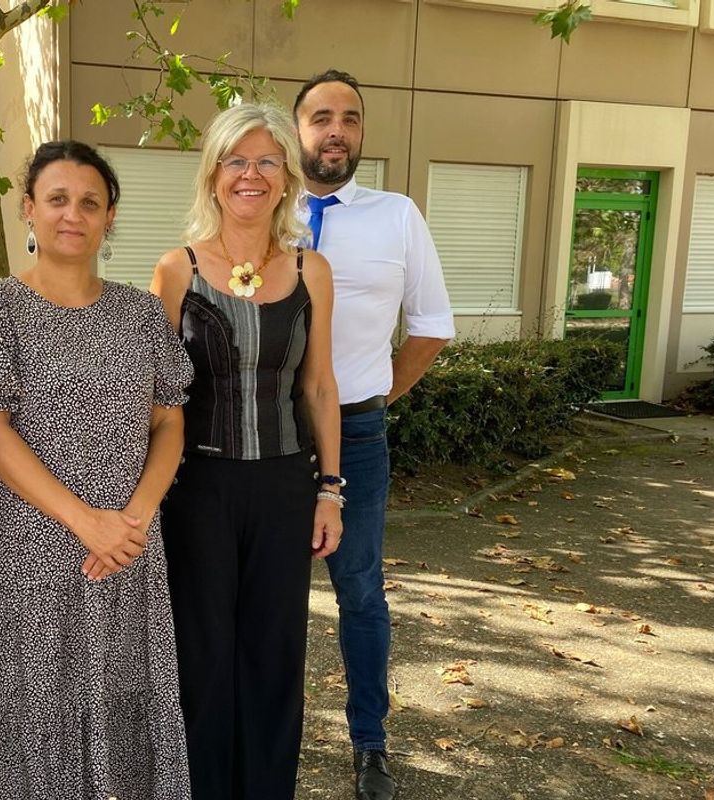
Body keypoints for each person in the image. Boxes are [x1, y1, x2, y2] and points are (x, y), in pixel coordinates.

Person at [0, 140, 194, 799]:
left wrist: (133, 519)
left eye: (89, 202)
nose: (72, 214)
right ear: (28, 209)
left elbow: (169, 421)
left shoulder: (141, 314)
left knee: (122, 702)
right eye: (57, 199)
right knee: (24, 710)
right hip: (26, 553)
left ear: (111, 216)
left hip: (124, 551)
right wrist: (88, 523)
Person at [150, 102, 344, 800]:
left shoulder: (312, 270)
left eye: (267, 161)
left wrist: (330, 490)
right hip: (197, 489)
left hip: (284, 489)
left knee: (274, 653)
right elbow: (157, 401)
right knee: (201, 656)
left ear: (287, 177)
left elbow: (318, 387)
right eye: (237, 160)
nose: (251, 174)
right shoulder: (176, 271)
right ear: (214, 173)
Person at [294, 69, 455, 800]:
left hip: (356, 433)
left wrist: (371, 397)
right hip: (266, 435)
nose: (337, 131)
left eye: (351, 119)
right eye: (322, 117)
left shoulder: (397, 216)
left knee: (359, 591)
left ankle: (370, 743)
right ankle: (263, 732)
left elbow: (432, 326)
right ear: (298, 129)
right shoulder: (260, 208)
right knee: (264, 594)